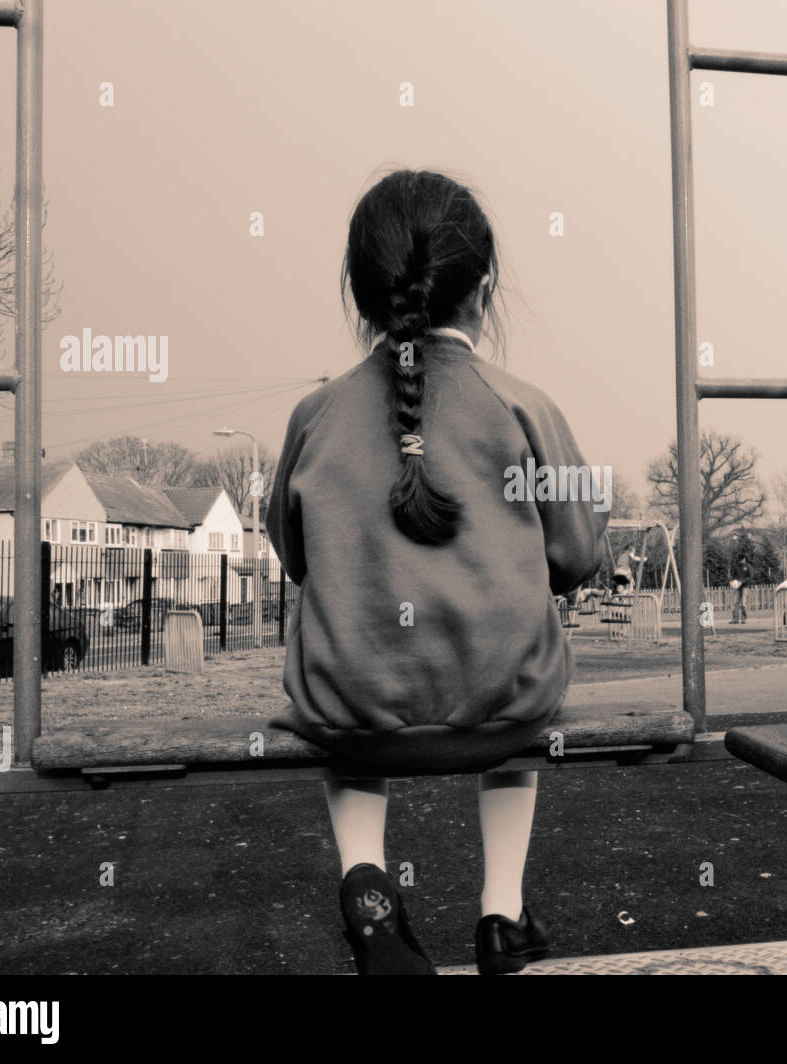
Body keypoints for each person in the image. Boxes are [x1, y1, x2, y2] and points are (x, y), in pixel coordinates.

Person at [266, 170, 607, 976]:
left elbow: (295, 554)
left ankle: (365, 882)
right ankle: (500, 911)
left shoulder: (314, 418)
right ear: (485, 291)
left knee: (350, 660)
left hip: (354, 711)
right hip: (503, 709)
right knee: (514, 637)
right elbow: (576, 558)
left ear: (361, 294)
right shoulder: (526, 406)